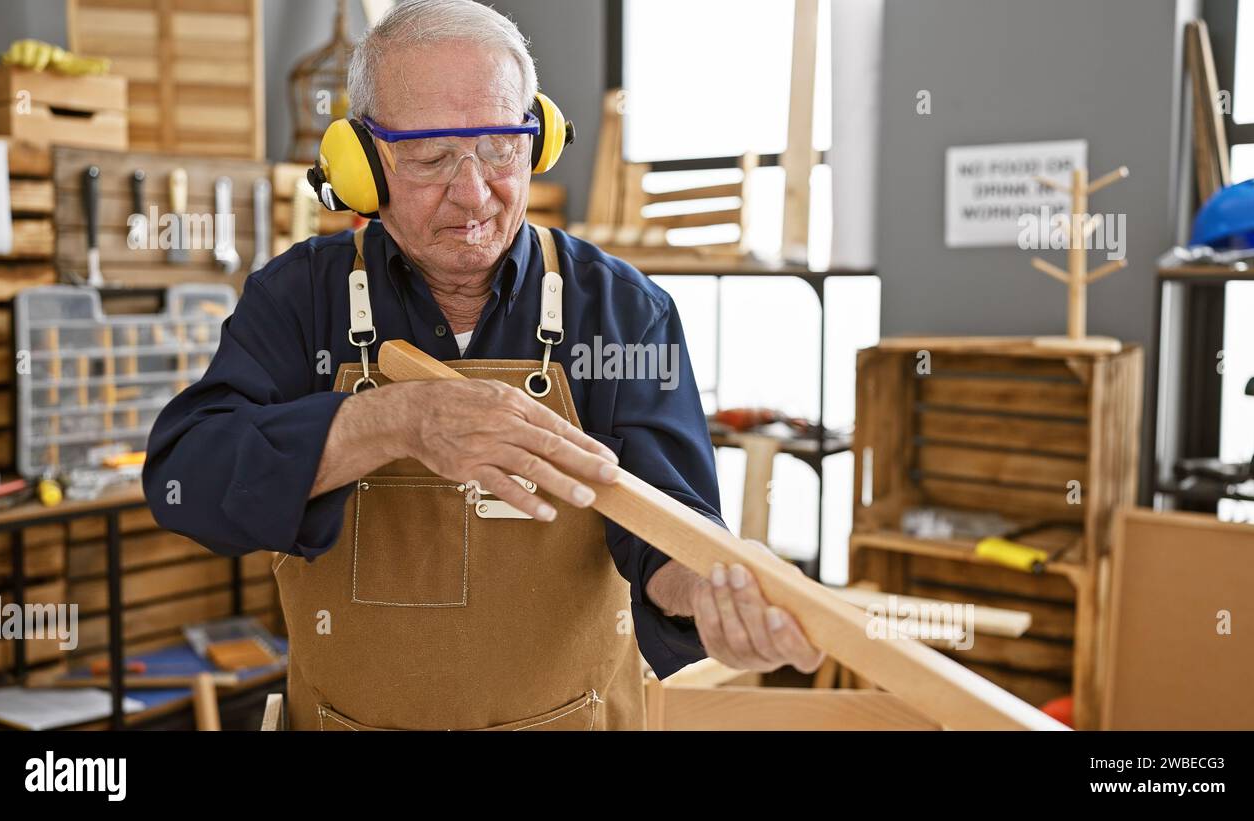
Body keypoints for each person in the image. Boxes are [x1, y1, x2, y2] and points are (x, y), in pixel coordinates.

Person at [143, 0, 821, 730]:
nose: (473, 193)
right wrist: (386, 421)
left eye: (501, 147)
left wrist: (713, 591)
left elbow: (669, 529)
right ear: (364, 164)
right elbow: (185, 481)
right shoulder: (299, 299)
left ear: (540, 140)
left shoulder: (623, 312)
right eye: (433, 157)